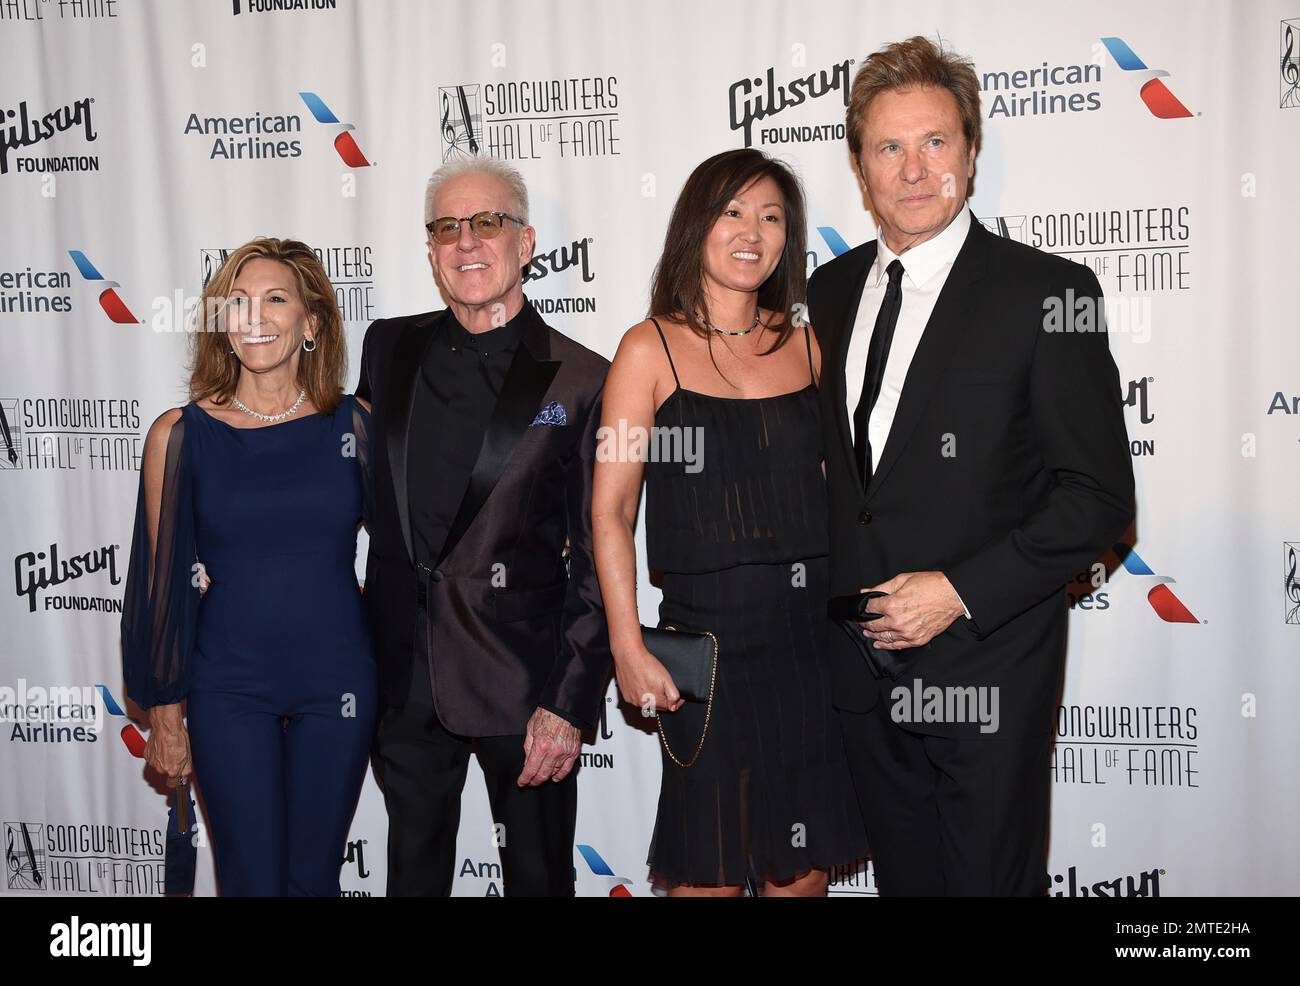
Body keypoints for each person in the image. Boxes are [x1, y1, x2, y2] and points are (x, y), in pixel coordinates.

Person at [806, 36, 1136, 896]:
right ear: (859, 166)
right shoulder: (828, 293)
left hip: (987, 670)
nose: (914, 169)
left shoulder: (1046, 292)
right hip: (859, 677)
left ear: (972, 152)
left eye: (936, 142)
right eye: (889, 147)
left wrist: (953, 591)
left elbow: (1098, 500)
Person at [593, 148, 867, 897]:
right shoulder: (648, 349)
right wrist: (625, 643)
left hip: (811, 649)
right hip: (707, 659)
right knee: (707, 879)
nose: (753, 231)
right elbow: (611, 510)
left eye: (772, 216)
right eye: (733, 211)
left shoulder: (808, 345)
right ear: (697, 225)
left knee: (802, 876)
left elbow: (835, 496)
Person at [359, 156, 611, 897]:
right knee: (413, 877)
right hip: (403, 679)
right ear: (431, 249)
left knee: (538, 881)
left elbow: (601, 559)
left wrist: (567, 703)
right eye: (447, 227)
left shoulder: (580, 377)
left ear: (526, 242)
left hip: (522, 687)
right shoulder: (388, 348)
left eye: (488, 222)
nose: (467, 242)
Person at [121, 237, 376, 896]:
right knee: (250, 882)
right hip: (227, 686)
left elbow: (413, 557)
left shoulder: (358, 426)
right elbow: (160, 586)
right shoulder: (180, 435)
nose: (253, 315)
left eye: (274, 299)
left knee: (313, 880)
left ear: (311, 323)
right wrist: (167, 716)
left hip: (338, 684)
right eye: (236, 302)